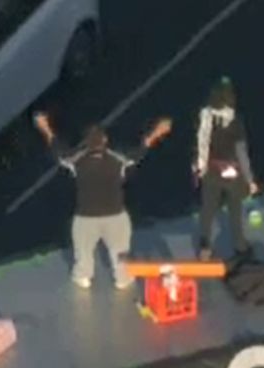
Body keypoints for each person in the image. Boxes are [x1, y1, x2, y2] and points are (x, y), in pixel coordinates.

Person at [35, 112, 172, 289]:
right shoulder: (118, 159)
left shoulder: (76, 160)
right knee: (121, 255)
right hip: (115, 216)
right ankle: (122, 280)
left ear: (86, 143)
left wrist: (44, 126)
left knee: (83, 256)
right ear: (105, 140)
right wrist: (158, 131)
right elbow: (143, 146)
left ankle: (83, 278)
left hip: (86, 218)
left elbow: (56, 147)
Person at [194, 78, 259, 260]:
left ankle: (205, 247)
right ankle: (240, 245)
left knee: (208, 208)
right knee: (235, 208)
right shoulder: (235, 120)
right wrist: (250, 179)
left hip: (211, 171)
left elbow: (201, 143)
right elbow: (241, 152)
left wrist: (200, 168)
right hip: (231, 171)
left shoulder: (205, 116)